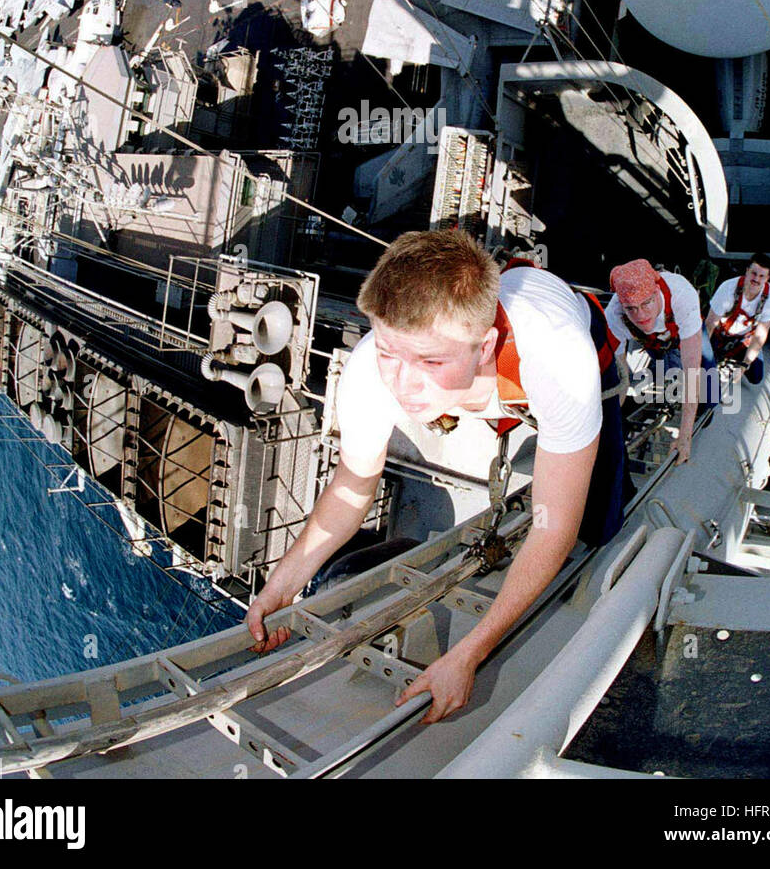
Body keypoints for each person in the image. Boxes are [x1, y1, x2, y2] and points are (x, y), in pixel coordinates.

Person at [246, 229, 632, 723]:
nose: (403, 384)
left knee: (598, 521)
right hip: (490, 384)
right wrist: (282, 583)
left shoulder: (558, 358)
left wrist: (470, 652)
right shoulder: (372, 367)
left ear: (485, 345)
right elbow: (351, 488)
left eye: (431, 360)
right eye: (389, 352)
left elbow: (551, 526)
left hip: (570, 353)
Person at [605, 259, 715, 466]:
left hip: (683, 331)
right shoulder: (615, 314)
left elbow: (692, 370)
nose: (641, 315)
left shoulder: (682, 296)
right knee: (665, 369)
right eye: (632, 308)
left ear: (657, 292)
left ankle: (704, 413)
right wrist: (611, 422)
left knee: (708, 387)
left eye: (646, 303)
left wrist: (684, 436)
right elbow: (622, 378)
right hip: (653, 341)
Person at [705, 254, 770, 384]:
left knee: (756, 376)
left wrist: (744, 365)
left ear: (767, 278)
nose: (756, 279)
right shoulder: (728, 288)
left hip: (743, 340)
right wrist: (701, 357)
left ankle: (732, 360)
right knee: (705, 365)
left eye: (761, 276)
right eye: (753, 273)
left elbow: (760, 335)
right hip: (719, 335)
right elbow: (710, 324)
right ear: (747, 271)